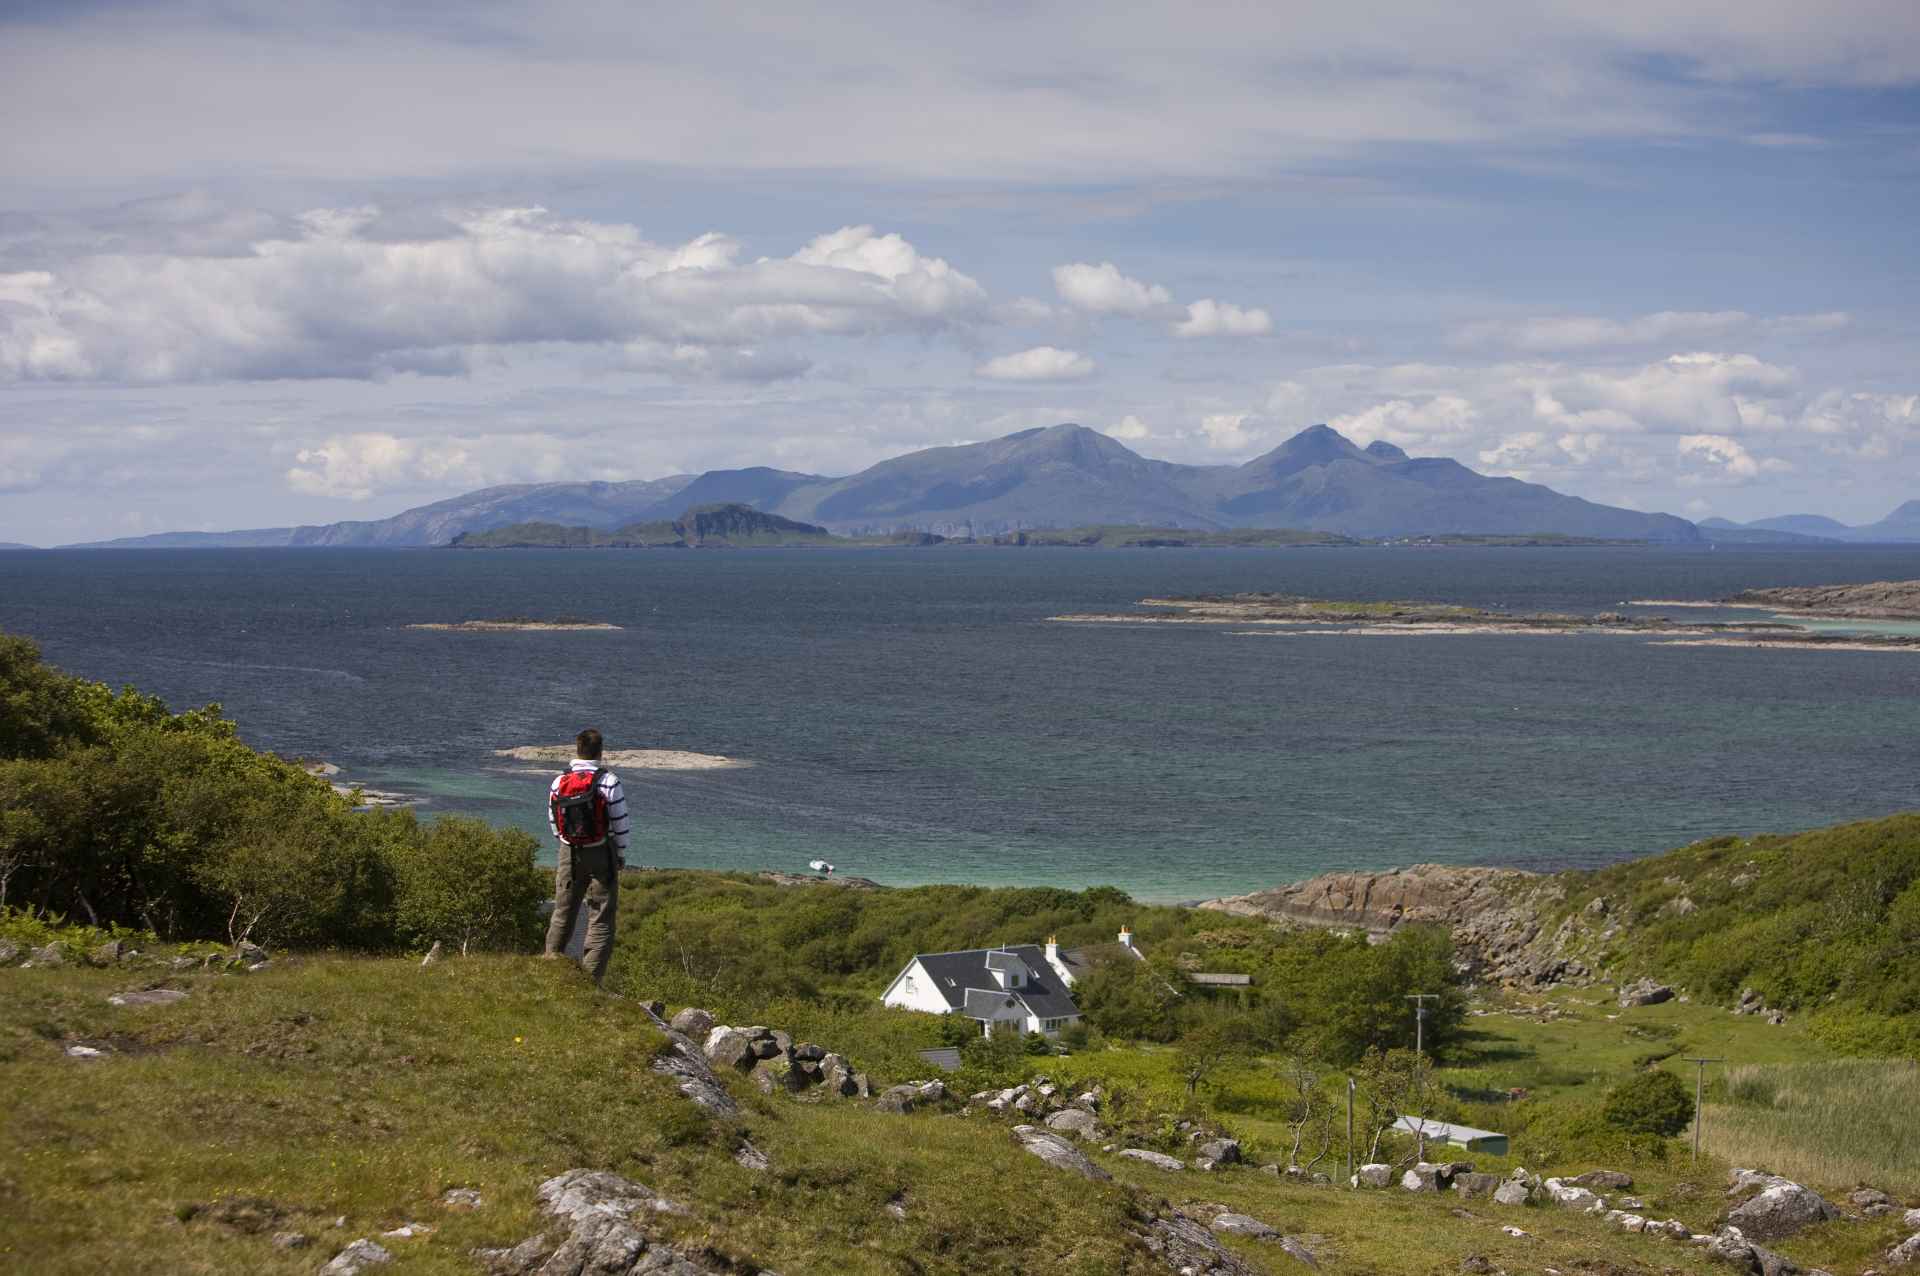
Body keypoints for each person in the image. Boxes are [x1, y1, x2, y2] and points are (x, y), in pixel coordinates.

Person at [543, 727, 629, 982]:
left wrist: (565, 842)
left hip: (569, 852)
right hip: (601, 851)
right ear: (600, 752)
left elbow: (553, 821)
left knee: (563, 911)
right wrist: (620, 852)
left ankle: (549, 967)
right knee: (601, 916)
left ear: (577, 749)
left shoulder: (559, 781)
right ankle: (590, 981)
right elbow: (621, 823)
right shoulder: (608, 781)